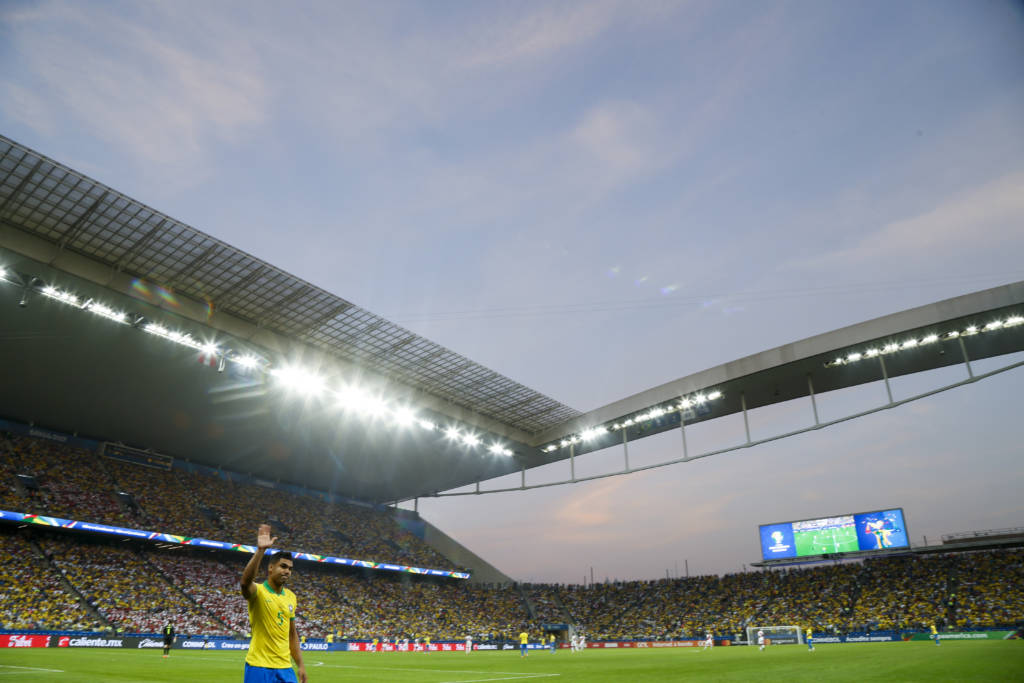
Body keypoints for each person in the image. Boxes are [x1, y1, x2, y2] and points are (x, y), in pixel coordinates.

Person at [240, 524, 307, 683]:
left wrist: (301, 665)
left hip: (285, 668)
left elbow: (292, 634)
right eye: (283, 566)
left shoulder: (291, 597)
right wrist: (260, 551)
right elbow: (244, 583)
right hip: (259, 666)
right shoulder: (258, 591)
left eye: (290, 568)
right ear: (270, 568)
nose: (287, 571)